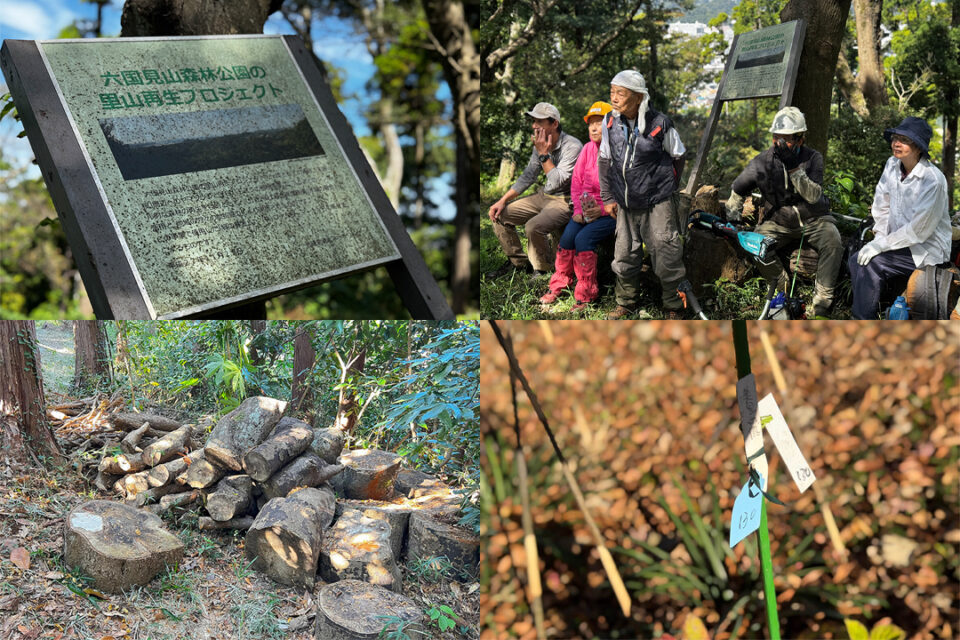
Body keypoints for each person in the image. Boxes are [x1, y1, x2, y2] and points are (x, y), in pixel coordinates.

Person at [725, 107, 842, 318]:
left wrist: (793, 168)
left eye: (786, 139)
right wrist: (733, 219)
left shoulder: (813, 158)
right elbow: (738, 189)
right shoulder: (762, 162)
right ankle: (783, 291)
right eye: (776, 137)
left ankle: (822, 301)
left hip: (813, 219)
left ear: (800, 138)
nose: (779, 143)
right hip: (778, 222)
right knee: (756, 245)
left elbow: (814, 195)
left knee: (832, 239)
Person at [598, 70, 691, 319]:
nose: (614, 98)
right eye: (612, 92)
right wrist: (607, 197)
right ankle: (626, 302)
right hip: (626, 203)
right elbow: (605, 160)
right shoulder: (609, 122)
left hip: (656, 201)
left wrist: (667, 186)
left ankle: (674, 305)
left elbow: (679, 156)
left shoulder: (660, 124)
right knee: (625, 253)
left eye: (620, 93)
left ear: (638, 97)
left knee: (666, 251)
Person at [848, 116, 951, 319]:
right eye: (896, 137)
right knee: (854, 260)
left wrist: (881, 246)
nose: (896, 143)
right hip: (897, 242)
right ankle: (874, 309)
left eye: (904, 140)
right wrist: (878, 238)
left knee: (872, 264)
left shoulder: (932, 180)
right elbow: (881, 204)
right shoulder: (892, 164)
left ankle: (861, 321)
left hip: (925, 249)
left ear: (919, 147)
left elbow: (918, 231)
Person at [487, 103, 583, 279]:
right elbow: (528, 177)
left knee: (533, 226)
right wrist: (502, 200)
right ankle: (518, 262)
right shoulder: (539, 146)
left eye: (539, 121)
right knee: (500, 215)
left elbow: (556, 182)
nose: (534, 126)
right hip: (544, 195)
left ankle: (542, 269)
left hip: (566, 200)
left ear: (554, 124)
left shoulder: (573, 146)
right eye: (533, 121)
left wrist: (543, 154)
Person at [540, 101, 617, 310]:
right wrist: (579, 211)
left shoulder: (619, 153)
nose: (593, 128)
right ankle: (559, 284)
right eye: (590, 123)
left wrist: (601, 210)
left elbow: (623, 194)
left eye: (599, 122)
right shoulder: (587, 149)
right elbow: (576, 183)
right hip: (584, 212)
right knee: (566, 239)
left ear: (611, 124)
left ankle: (586, 295)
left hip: (610, 215)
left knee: (583, 239)